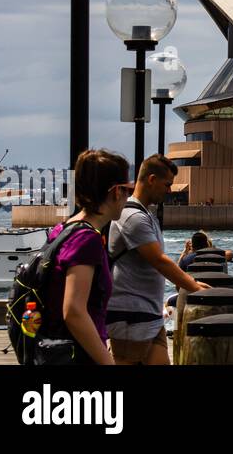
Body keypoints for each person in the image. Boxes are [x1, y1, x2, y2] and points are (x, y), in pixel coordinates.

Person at [107, 154, 209, 364]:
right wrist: (195, 287)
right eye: (167, 184)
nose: (170, 191)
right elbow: (159, 260)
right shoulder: (133, 217)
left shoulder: (145, 215)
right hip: (130, 314)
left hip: (149, 313)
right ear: (152, 179)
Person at [38, 148, 132, 365]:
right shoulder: (86, 240)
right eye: (128, 189)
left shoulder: (63, 229)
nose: (129, 197)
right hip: (78, 356)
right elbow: (74, 311)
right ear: (116, 191)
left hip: (56, 350)